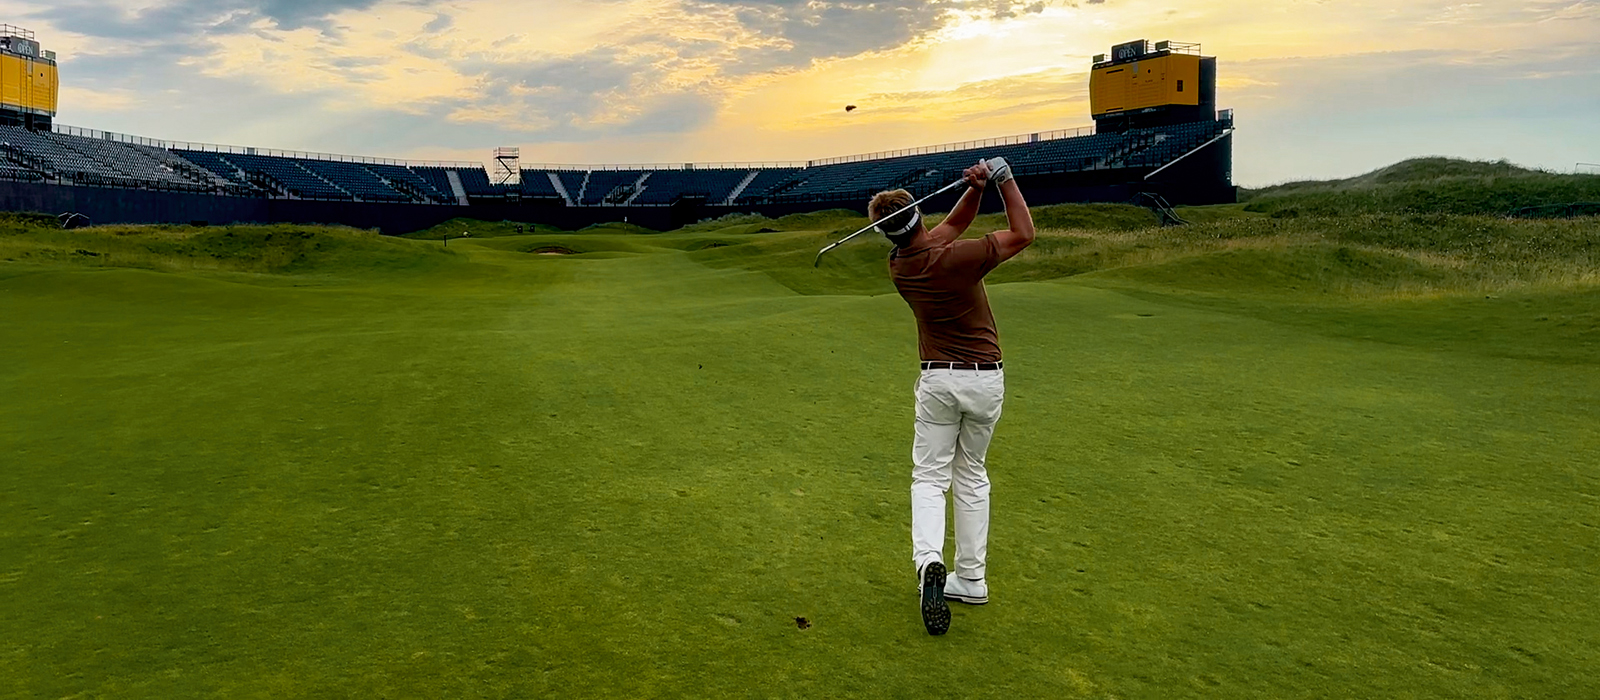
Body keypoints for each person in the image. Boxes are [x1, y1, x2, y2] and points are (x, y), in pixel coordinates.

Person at [872, 157, 1035, 636]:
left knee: (929, 477)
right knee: (971, 474)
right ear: (919, 217)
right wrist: (1006, 179)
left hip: (938, 382)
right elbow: (1023, 233)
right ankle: (972, 578)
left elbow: (953, 226)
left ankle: (928, 563)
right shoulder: (957, 257)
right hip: (985, 380)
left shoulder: (900, 264)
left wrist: (976, 188)